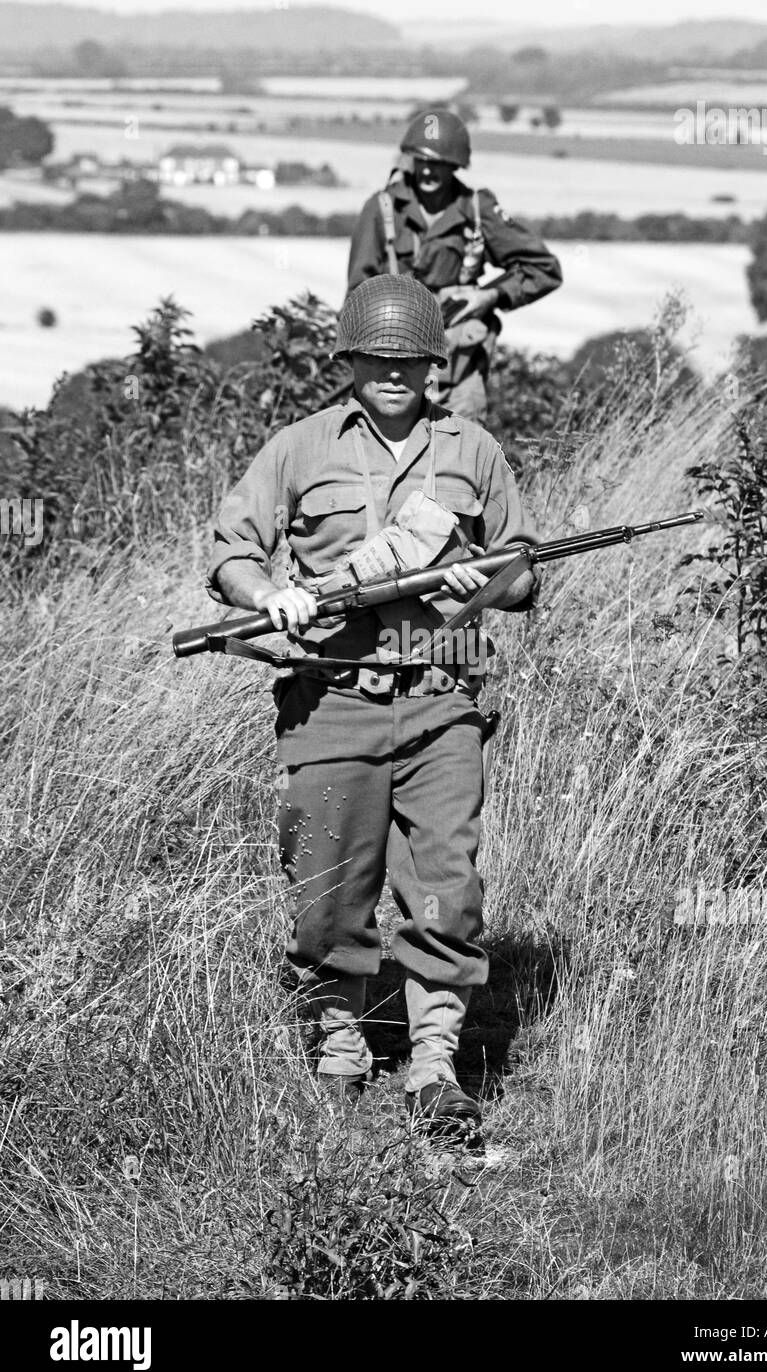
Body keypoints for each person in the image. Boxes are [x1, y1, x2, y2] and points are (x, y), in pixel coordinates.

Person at [205, 274, 538, 1142]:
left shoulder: (474, 450)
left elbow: (524, 571)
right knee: (326, 892)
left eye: (411, 361)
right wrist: (270, 593)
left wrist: (477, 576)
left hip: (441, 699)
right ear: (349, 359)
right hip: (331, 701)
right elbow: (232, 551)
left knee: (446, 890)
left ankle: (436, 1069)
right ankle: (340, 1045)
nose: (394, 373)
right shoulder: (301, 447)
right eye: (377, 358)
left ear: (437, 365)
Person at [347, 107, 562, 422]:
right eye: (422, 161)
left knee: (462, 459)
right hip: (391, 372)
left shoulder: (477, 209)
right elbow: (356, 295)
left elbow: (543, 269)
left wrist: (489, 296)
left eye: (439, 164)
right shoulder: (382, 209)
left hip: (459, 375)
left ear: (456, 166)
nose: (428, 172)